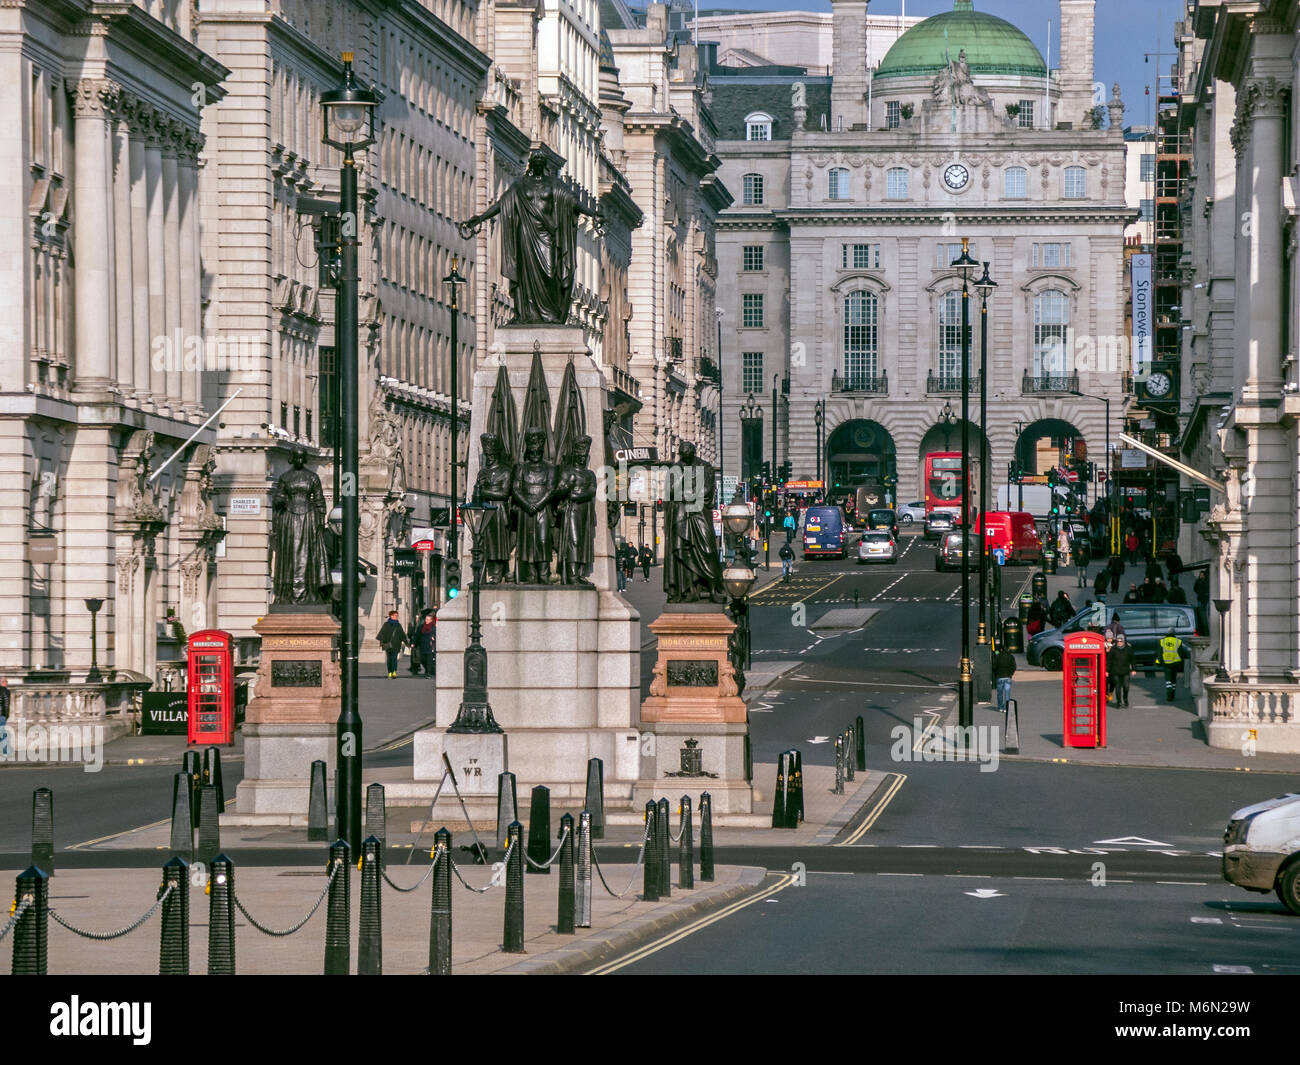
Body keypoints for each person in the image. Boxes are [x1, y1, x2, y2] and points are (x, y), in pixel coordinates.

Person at [377, 610, 408, 679]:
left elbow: (402, 635)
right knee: (389, 659)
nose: (396, 617)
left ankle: (394, 671)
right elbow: (382, 634)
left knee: (394, 658)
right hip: (388, 644)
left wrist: (407, 643)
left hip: (396, 645)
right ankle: (389, 672)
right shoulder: (386, 624)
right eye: (395, 615)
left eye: (397, 615)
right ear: (391, 616)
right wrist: (382, 643)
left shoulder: (398, 625)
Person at [1159, 627, 1186, 701]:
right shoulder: (1178, 641)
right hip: (1175, 663)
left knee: (1168, 679)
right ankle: (1173, 692)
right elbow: (1181, 653)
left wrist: (1159, 662)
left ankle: (1169, 692)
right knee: (1174, 678)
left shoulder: (1162, 641)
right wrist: (1182, 662)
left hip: (1166, 663)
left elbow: (1160, 653)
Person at [1109, 632, 1135, 707]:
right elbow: (1109, 660)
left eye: (1121, 641)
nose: (1119, 643)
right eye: (1118, 641)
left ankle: (1125, 699)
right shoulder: (1113, 649)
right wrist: (1107, 670)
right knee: (1117, 687)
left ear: (1124, 641)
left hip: (1125, 671)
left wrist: (1133, 669)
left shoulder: (1128, 649)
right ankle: (1119, 702)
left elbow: (1132, 660)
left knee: (1126, 686)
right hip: (1115, 671)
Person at [992, 645, 1017, 712]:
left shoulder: (998, 657)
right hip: (1008, 677)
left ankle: (1000, 707)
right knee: (1007, 693)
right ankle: (1006, 708)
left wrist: (996, 673)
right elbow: (1014, 667)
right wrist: (1010, 674)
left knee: (1000, 694)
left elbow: (994, 667)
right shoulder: (1011, 657)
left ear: (1001, 650)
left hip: (999, 677)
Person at [414, 610, 436, 678]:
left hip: (430, 645)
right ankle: (427, 670)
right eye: (426, 619)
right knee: (423, 659)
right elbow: (417, 635)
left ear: (431, 620)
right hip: (422, 645)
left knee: (429, 660)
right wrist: (413, 643)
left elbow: (436, 635)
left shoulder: (433, 627)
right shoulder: (421, 627)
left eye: (428, 619)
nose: (426, 620)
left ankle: (428, 673)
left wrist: (434, 637)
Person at [1103, 632, 1115, 702]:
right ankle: (1106, 695)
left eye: (1110, 638)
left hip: (1113, 666)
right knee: (1105, 682)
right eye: (1108, 638)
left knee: (1113, 681)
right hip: (1105, 666)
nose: (1109, 640)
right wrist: (1106, 651)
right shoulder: (1103, 645)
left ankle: (1110, 692)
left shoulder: (1115, 645)